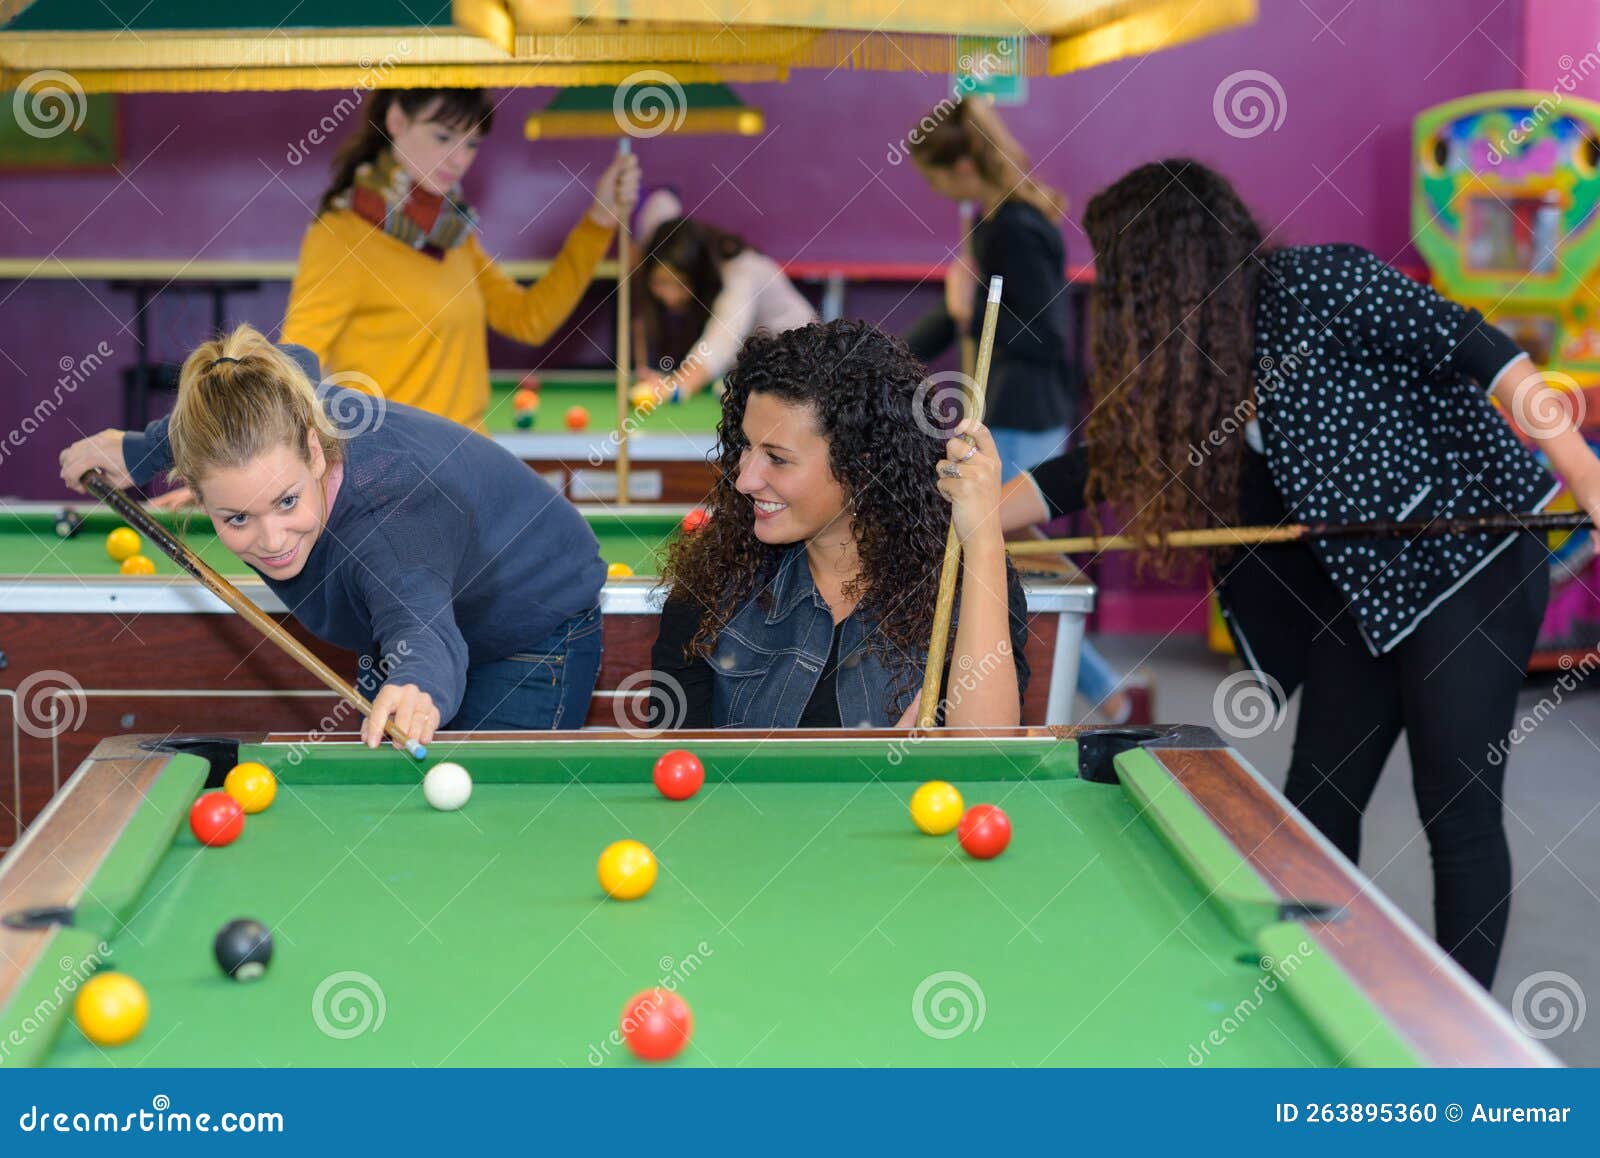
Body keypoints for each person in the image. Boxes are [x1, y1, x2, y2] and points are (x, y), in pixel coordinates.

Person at [1000, 158, 1600, 990]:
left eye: (1121, 266)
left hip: (1472, 558)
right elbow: (1105, 466)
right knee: (1316, 801)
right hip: (1368, 586)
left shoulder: (1323, 283)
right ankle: (1310, 989)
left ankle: (1465, 1034)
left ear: (1165, 268)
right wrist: (973, 514)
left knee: (1454, 807)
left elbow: (1484, 350)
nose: (1113, 289)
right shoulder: (1201, 359)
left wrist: (1588, 475)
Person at [59, 325, 607, 750]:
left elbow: (419, 626)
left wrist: (417, 683)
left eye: (287, 501)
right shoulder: (285, 400)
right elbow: (283, 364)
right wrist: (142, 451)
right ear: (198, 495)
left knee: (485, 835)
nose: (272, 540)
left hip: (530, 620)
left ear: (316, 452)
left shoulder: (390, 522)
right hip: (432, 605)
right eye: (236, 518)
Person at [648, 319, 1029, 728]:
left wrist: (985, 536)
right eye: (745, 446)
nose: (744, 479)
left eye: (777, 458)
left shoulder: (963, 582)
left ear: (859, 465)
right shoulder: (713, 582)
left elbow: (985, 753)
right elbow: (680, 763)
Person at [905, 96, 1131, 722]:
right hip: (1008, 406)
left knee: (995, 556)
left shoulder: (1017, 226)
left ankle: (1106, 692)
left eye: (934, 177)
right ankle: (1107, 691)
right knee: (992, 554)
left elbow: (1044, 334)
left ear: (960, 168)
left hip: (1027, 413)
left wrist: (966, 310)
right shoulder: (995, 219)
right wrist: (894, 355)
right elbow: (972, 318)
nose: (934, 189)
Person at [283, 87, 640, 430]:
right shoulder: (340, 236)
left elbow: (529, 320)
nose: (458, 159)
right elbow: (293, 372)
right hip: (396, 470)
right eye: (443, 137)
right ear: (395, 121)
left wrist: (599, 220)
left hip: (470, 457)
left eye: (470, 144)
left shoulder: (452, 235)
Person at [631, 189, 817, 404]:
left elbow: (723, 338)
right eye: (660, 282)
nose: (669, 296)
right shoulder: (694, 261)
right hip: (761, 367)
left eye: (680, 284)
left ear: (698, 274)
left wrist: (678, 387)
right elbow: (660, 206)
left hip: (802, 365)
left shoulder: (743, 272)